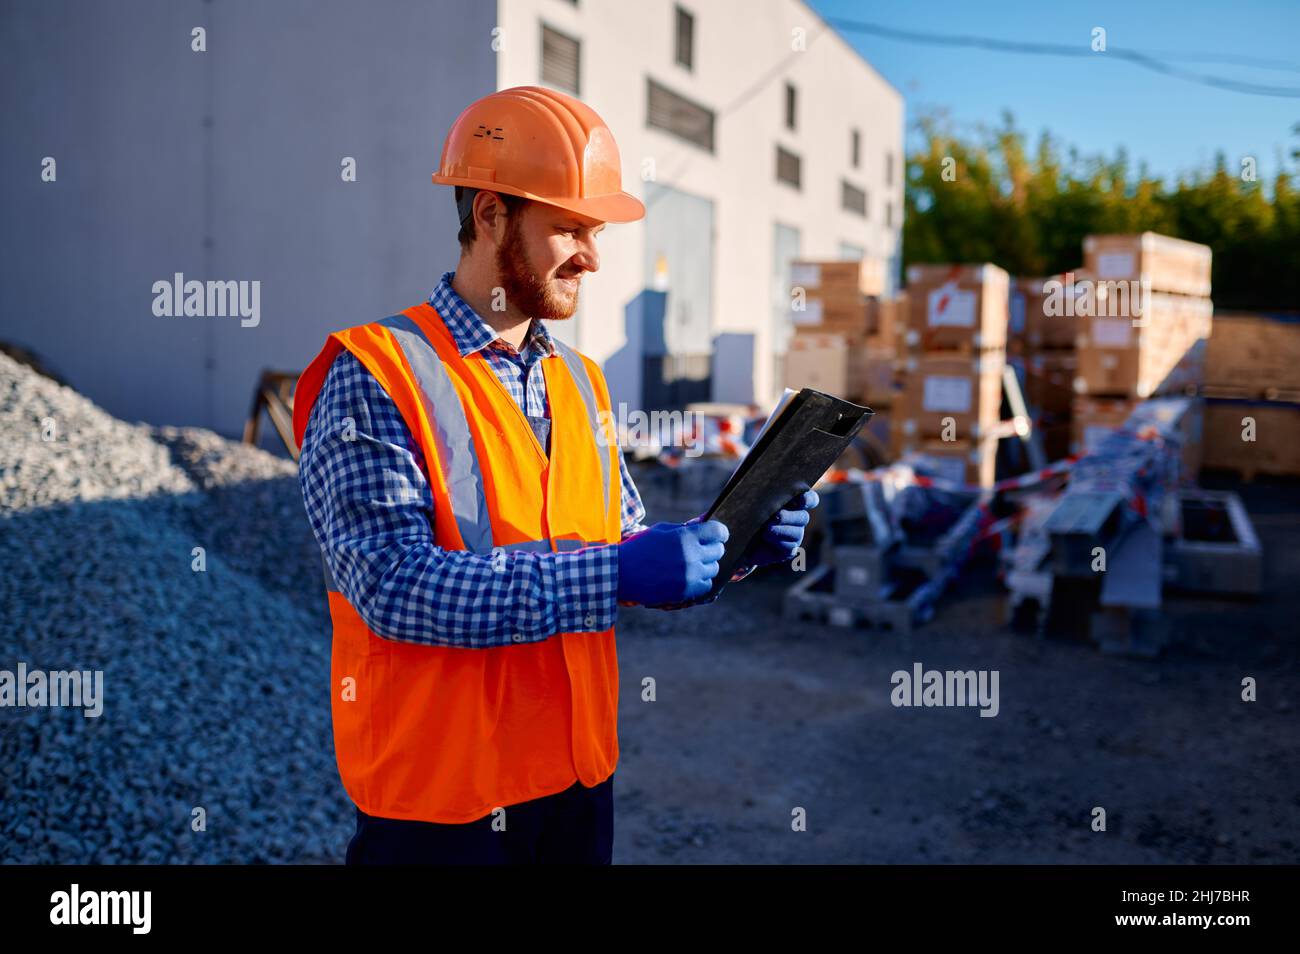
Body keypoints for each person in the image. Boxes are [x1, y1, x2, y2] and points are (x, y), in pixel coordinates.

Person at [291, 86, 818, 865]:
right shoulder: (373, 373)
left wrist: (732, 549)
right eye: (569, 227)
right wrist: (612, 573)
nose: (592, 256)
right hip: (441, 806)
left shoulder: (581, 381)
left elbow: (621, 544)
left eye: (594, 230)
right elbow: (394, 587)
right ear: (491, 214)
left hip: (572, 786)